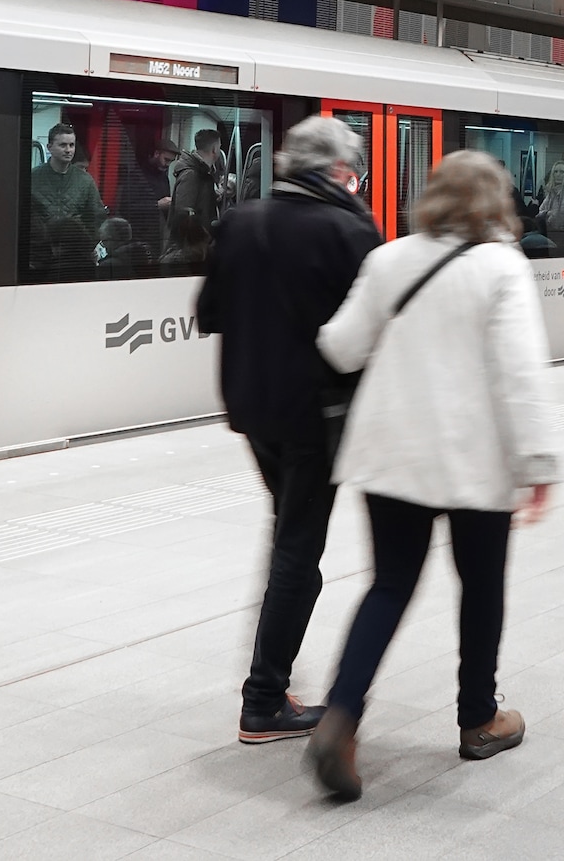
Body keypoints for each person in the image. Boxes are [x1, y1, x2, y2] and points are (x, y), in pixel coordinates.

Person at [306, 150, 559, 799]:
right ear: (496, 201)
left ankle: (340, 716)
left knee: (389, 584)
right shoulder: (502, 265)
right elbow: (520, 375)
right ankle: (479, 719)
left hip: (392, 453)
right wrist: (538, 464)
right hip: (474, 460)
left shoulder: (389, 257)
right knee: (481, 587)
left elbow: (340, 346)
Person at [194, 115, 380, 745]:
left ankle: (273, 679)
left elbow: (208, 313)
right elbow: (368, 331)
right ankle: (264, 700)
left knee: (292, 538)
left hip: (252, 409)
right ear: (338, 170)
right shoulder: (350, 229)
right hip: (316, 416)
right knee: (298, 550)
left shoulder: (240, 220)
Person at [30, 122, 107, 277]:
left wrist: (87, 246)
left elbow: (96, 217)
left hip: (74, 256)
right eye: (63, 145)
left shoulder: (84, 180)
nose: (68, 150)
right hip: (39, 255)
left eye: (71, 145)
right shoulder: (33, 178)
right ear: (50, 147)